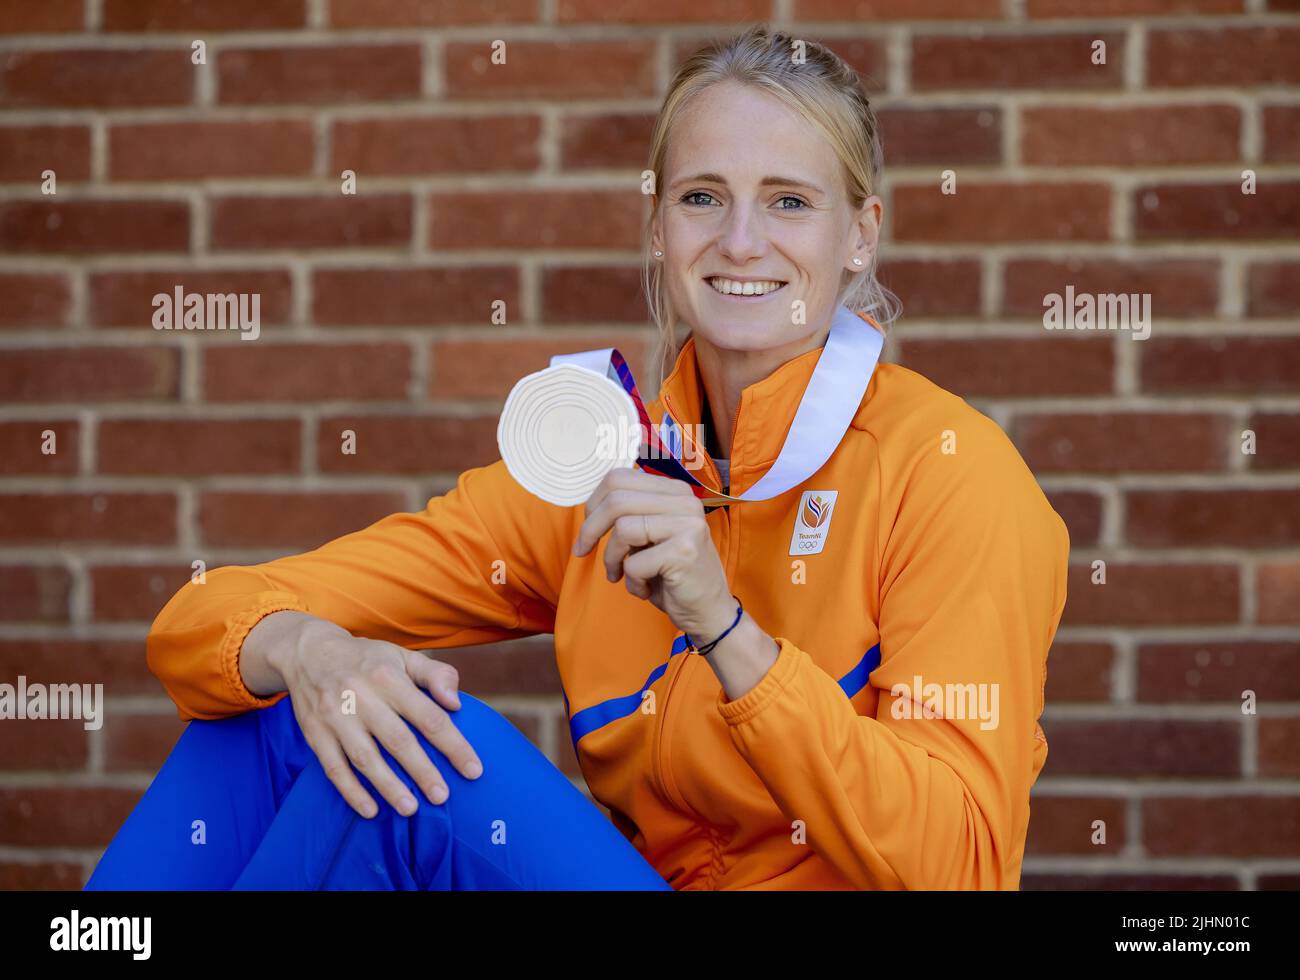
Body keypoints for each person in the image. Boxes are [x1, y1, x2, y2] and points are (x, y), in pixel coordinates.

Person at [87, 24, 1069, 891]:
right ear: (657, 227)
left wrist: (723, 627)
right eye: (700, 196)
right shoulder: (598, 466)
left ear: (860, 236)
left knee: (410, 769)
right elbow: (200, 621)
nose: (739, 240)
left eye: (787, 202)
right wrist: (308, 651)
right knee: (284, 715)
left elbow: (963, 860)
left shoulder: (948, 471)